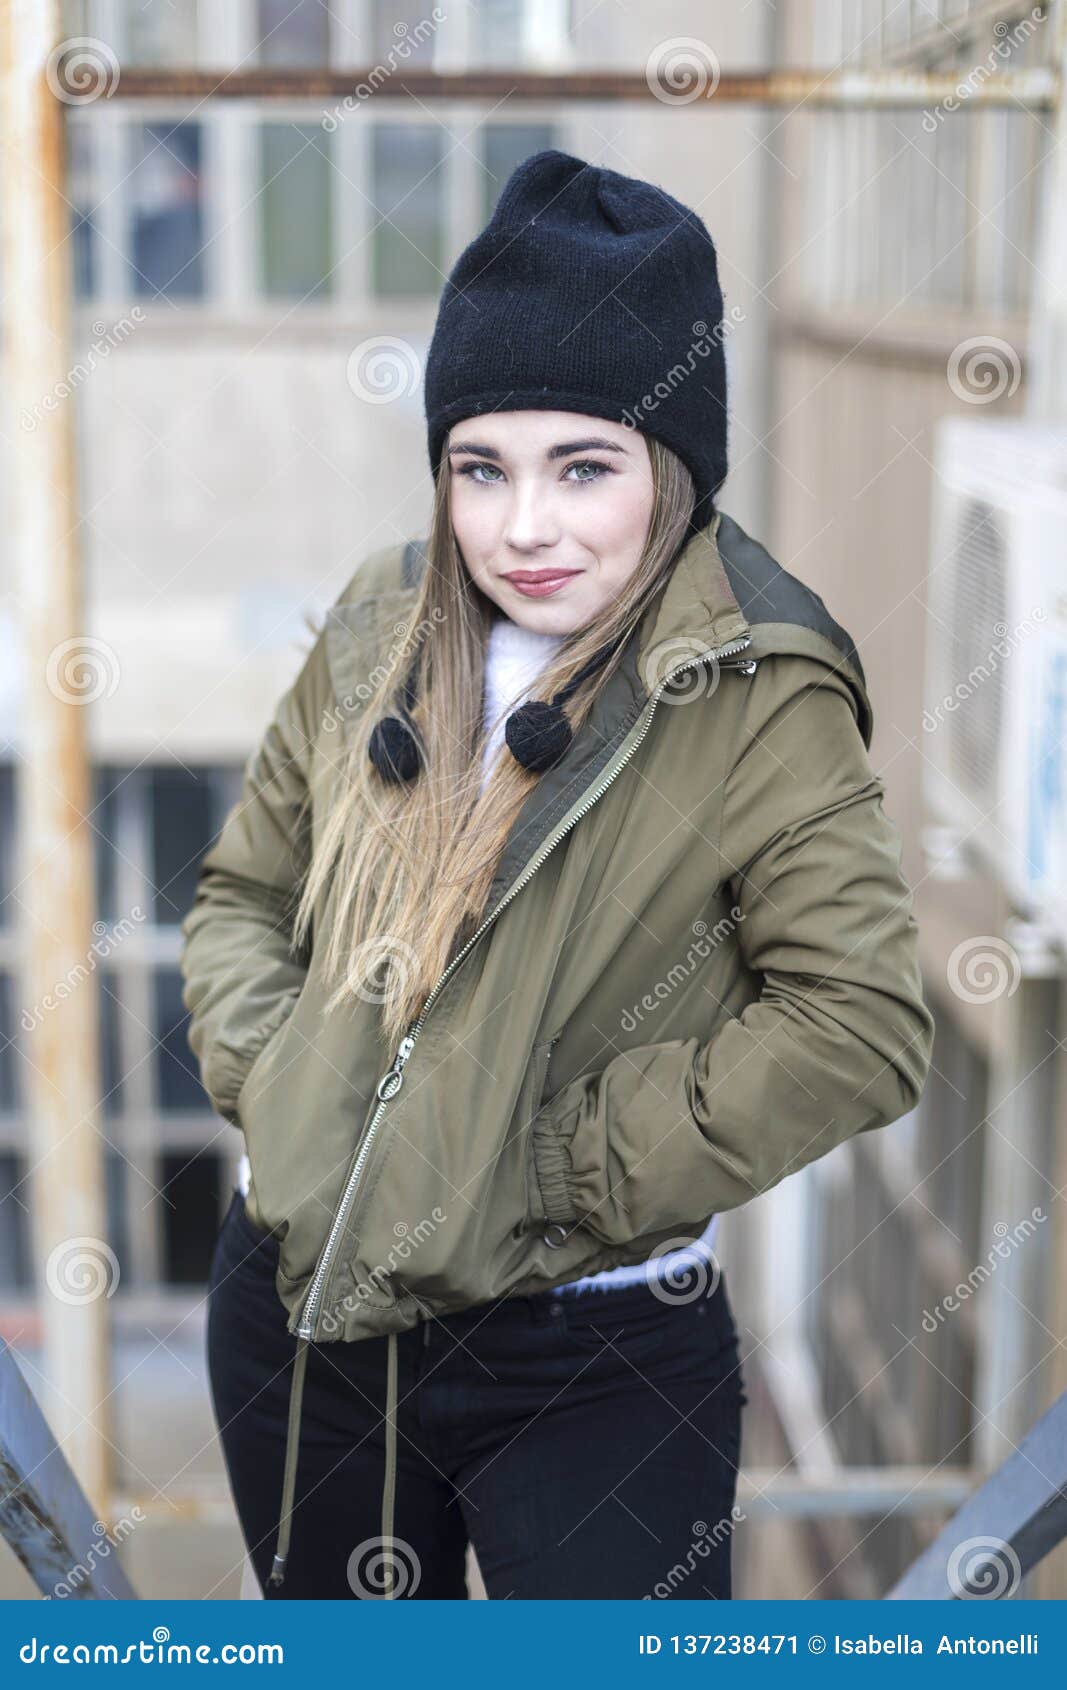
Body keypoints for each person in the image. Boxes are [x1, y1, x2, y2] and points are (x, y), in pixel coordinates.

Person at [181, 150, 935, 1600]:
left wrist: (545, 1170)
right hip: (303, 1312)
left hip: (591, 1358)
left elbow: (859, 1023)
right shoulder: (381, 618)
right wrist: (285, 1086)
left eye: (582, 467)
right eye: (482, 468)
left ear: (671, 468)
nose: (522, 526)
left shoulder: (759, 682)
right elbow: (243, 899)